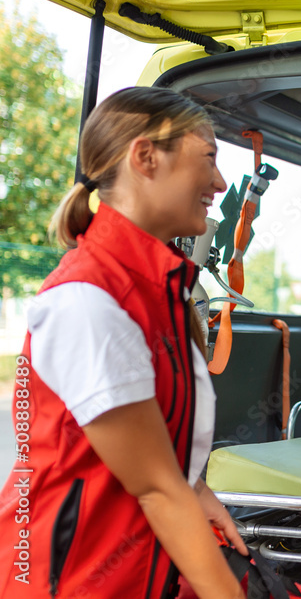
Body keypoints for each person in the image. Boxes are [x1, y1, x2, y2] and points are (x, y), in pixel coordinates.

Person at [0, 87, 248, 598]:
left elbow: (157, 450)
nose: (221, 182)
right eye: (209, 158)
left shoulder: (157, 288)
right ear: (145, 157)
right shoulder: (90, 301)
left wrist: (197, 488)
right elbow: (157, 488)